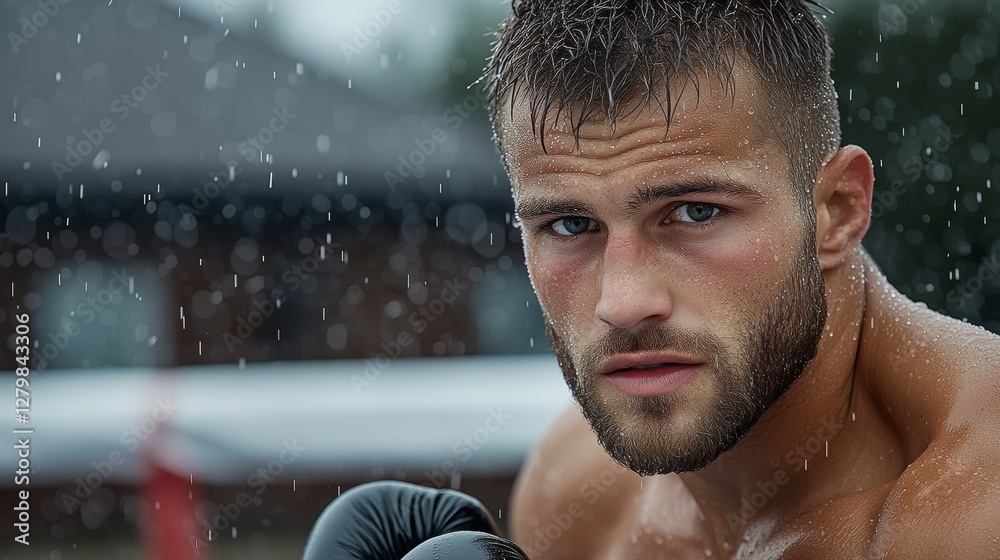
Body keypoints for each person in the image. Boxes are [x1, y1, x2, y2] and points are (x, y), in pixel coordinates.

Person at [302, 1, 999, 558]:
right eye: (570, 224)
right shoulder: (579, 499)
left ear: (836, 211)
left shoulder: (975, 508)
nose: (624, 303)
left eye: (694, 212)